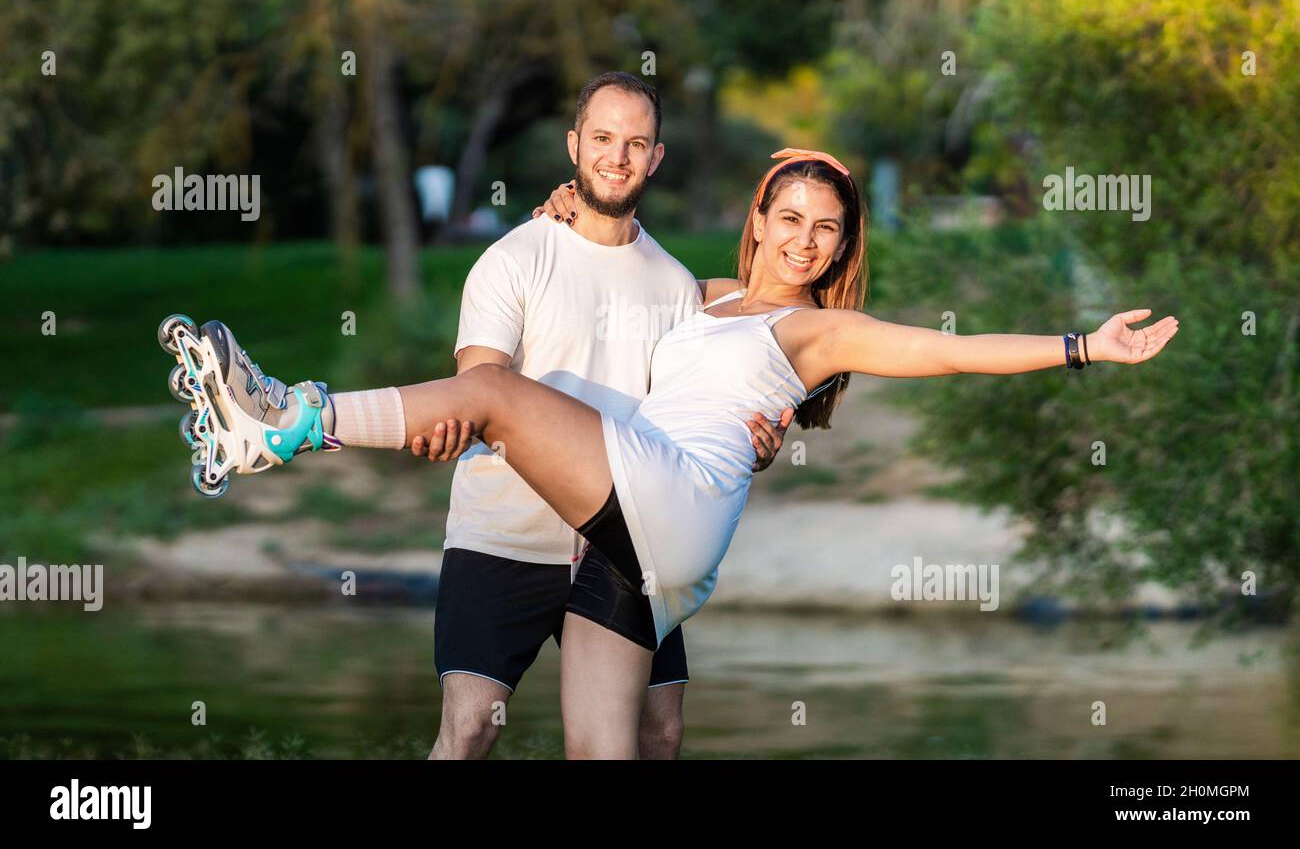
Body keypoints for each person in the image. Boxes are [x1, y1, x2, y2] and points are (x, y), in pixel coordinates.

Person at [159, 147, 1179, 759]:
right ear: (757, 220)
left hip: (674, 501)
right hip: (645, 550)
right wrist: (567, 211)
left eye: (827, 229)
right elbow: (619, 269)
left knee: (496, 396)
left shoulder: (821, 330)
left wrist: (1083, 346)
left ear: (842, 246)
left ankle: (285, 422)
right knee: (608, 750)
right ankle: (275, 422)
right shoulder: (701, 295)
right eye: (790, 218)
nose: (806, 241)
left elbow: (949, 351)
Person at [413, 73, 790, 759]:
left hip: (625, 545)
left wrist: (749, 443)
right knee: (469, 728)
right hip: (504, 537)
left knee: (659, 732)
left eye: (635, 143)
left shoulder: (675, 285)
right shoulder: (514, 257)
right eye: (603, 138)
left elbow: (696, 400)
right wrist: (450, 423)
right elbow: (478, 384)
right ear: (574, 145)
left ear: (656, 157)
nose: (617, 157)